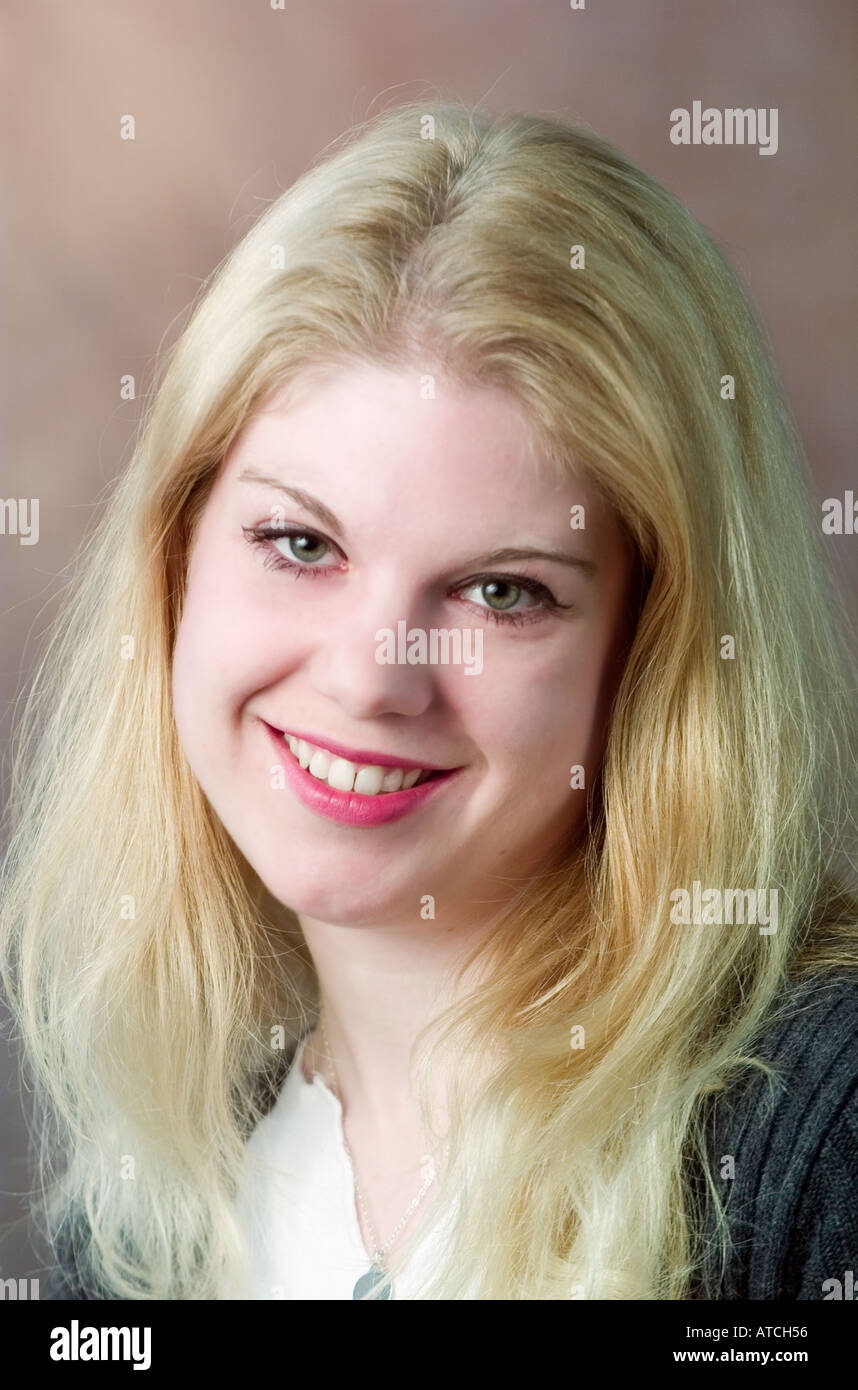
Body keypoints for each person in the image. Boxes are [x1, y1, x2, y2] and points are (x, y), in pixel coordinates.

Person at [2, 100, 856, 1302]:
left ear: (654, 645)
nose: (368, 676)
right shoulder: (145, 1222)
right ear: (176, 559)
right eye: (300, 543)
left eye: (504, 590)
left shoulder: (824, 1147)